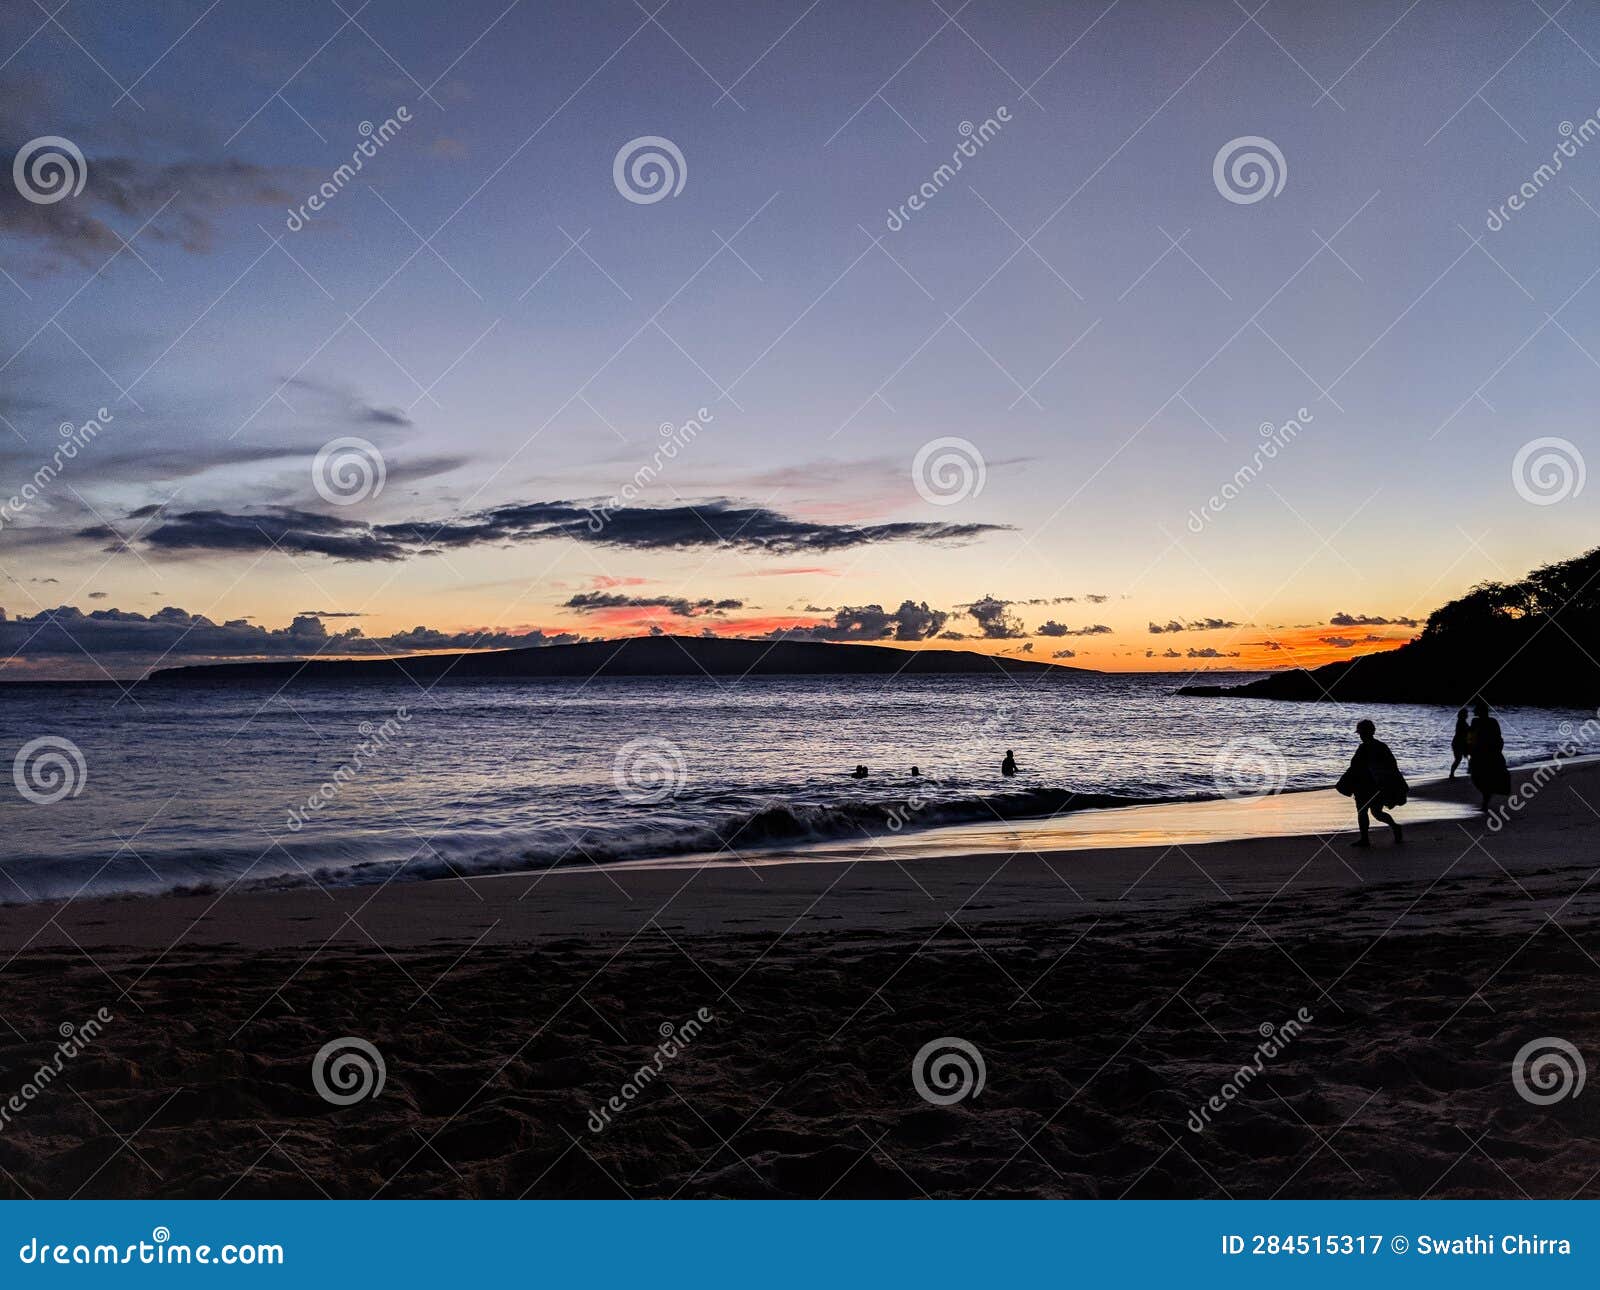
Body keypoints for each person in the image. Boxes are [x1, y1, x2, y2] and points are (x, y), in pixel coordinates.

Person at [1336, 718, 1406, 847]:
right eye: (1361, 734)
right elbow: (1392, 766)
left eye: (1362, 733)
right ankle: (1387, 830)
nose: (1361, 736)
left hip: (1371, 785)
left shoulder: (1370, 747)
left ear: (1369, 733)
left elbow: (1355, 766)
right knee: (1373, 812)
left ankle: (1368, 837)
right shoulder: (1379, 746)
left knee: (1369, 812)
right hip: (1370, 784)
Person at [1468, 699, 1510, 814]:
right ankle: (1486, 799)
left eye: (1477, 710)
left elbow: (1498, 737)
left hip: (1489, 753)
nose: (1475, 711)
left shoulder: (1492, 722)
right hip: (1478, 753)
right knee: (1476, 777)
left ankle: (1485, 802)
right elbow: (1470, 737)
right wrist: (1469, 749)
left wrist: (1498, 750)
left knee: (1484, 777)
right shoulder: (1475, 721)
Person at [1450, 708, 1470, 778]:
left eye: (1467, 714)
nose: (1467, 715)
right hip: (1457, 743)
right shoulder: (1461, 722)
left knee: (1461, 758)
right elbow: (1463, 733)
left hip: (1461, 743)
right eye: (1466, 714)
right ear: (1463, 715)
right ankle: (1451, 774)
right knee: (1458, 759)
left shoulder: (1463, 722)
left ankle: (1470, 769)